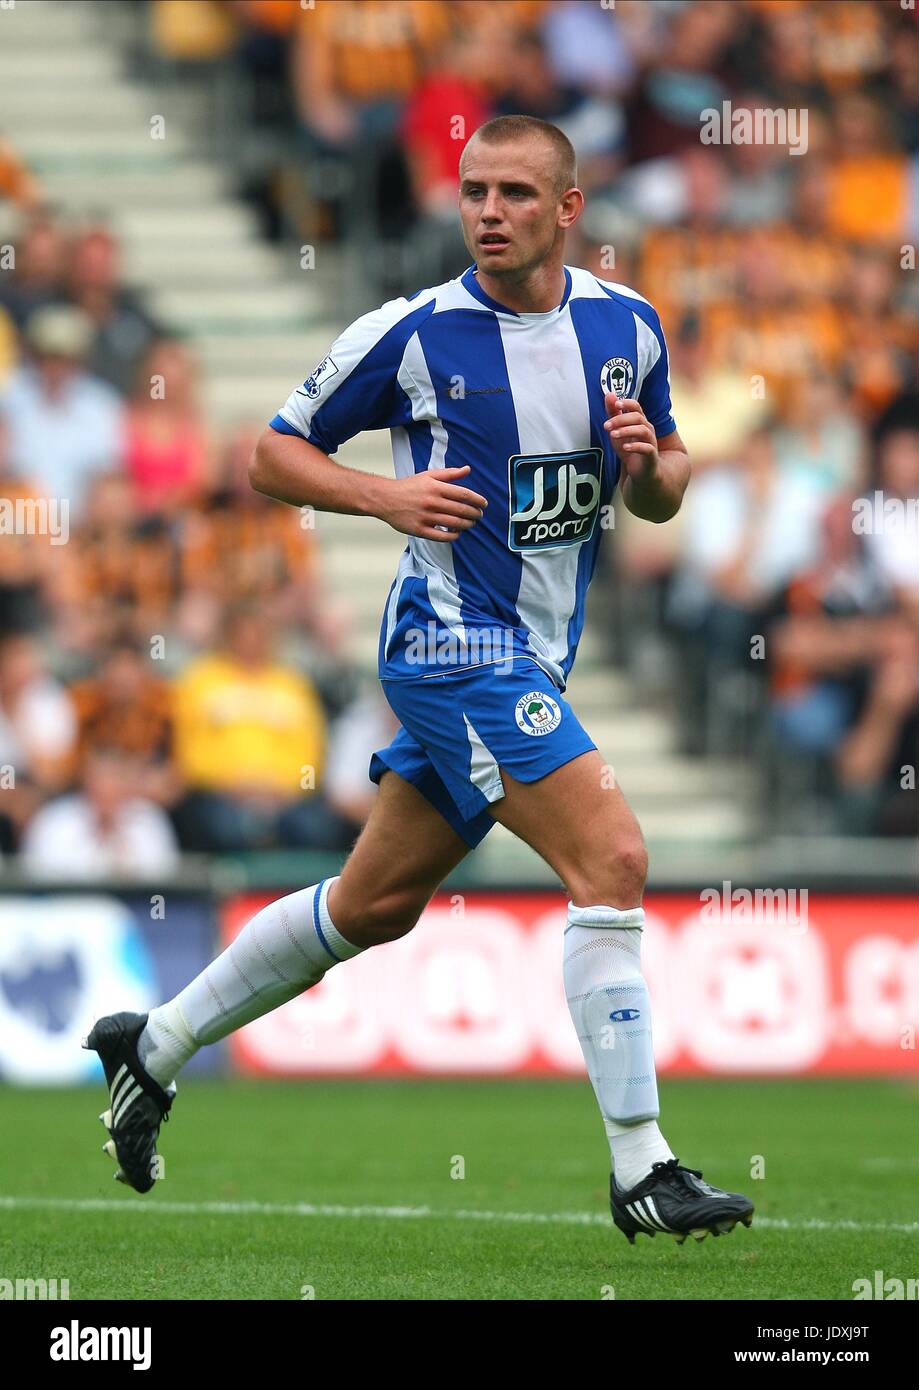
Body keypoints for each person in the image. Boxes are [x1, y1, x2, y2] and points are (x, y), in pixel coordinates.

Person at [84, 115, 754, 1246]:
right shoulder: (411, 334)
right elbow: (269, 452)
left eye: (514, 194)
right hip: (450, 643)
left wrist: (648, 468)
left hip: (536, 648)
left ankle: (151, 1044)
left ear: (568, 210)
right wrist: (385, 498)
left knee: (372, 905)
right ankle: (643, 1168)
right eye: (473, 190)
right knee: (615, 856)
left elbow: (662, 484)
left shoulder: (625, 326)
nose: (488, 211)